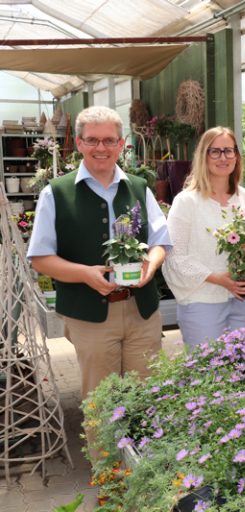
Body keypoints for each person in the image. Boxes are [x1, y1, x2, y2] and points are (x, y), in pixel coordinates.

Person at [27, 106, 170, 406]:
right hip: (90, 317)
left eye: (109, 140)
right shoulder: (56, 193)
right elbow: (40, 257)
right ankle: (107, 456)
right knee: (102, 404)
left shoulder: (139, 188)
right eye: (92, 140)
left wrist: (151, 264)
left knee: (147, 399)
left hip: (141, 312)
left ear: (121, 144)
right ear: (79, 144)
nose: (101, 148)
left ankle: (145, 454)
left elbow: (160, 242)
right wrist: (84, 274)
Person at [162, 127, 245, 347]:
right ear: (203, 156)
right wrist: (218, 279)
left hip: (243, 299)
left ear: (236, 155)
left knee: (242, 371)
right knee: (207, 373)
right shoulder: (186, 201)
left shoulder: (243, 196)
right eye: (215, 151)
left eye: (228, 151)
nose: (223, 158)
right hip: (202, 300)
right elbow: (175, 256)